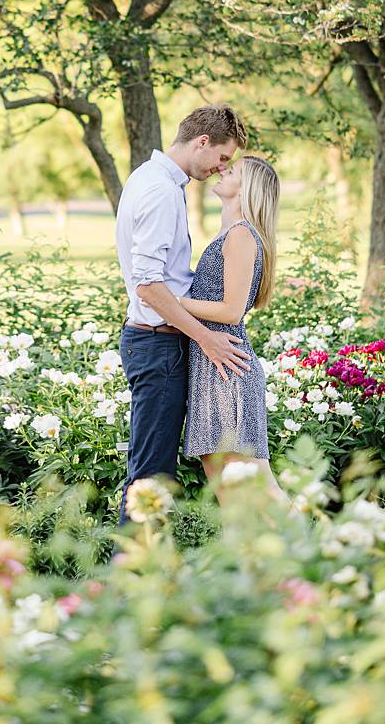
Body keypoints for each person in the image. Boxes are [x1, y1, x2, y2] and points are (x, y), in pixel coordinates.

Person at [114, 104, 251, 521]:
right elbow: (150, 286)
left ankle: (142, 572)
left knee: (152, 472)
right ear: (202, 142)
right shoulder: (159, 190)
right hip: (157, 346)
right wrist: (207, 338)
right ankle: (133, 577)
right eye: (222, 158)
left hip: (158, 343)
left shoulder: (154, 180)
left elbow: (168, 279)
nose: (220, 168)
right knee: (151, 477)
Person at [177, 154, 285, 503]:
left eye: (233, 170)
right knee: (225, 487)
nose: (223, 170)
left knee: (256, 485)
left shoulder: (241, 235)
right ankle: (246, 558)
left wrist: (169, 301)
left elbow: (231, 310)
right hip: (212, 367)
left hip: (229, 369)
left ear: (247, 188)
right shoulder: (230, 233)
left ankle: (311, 552)